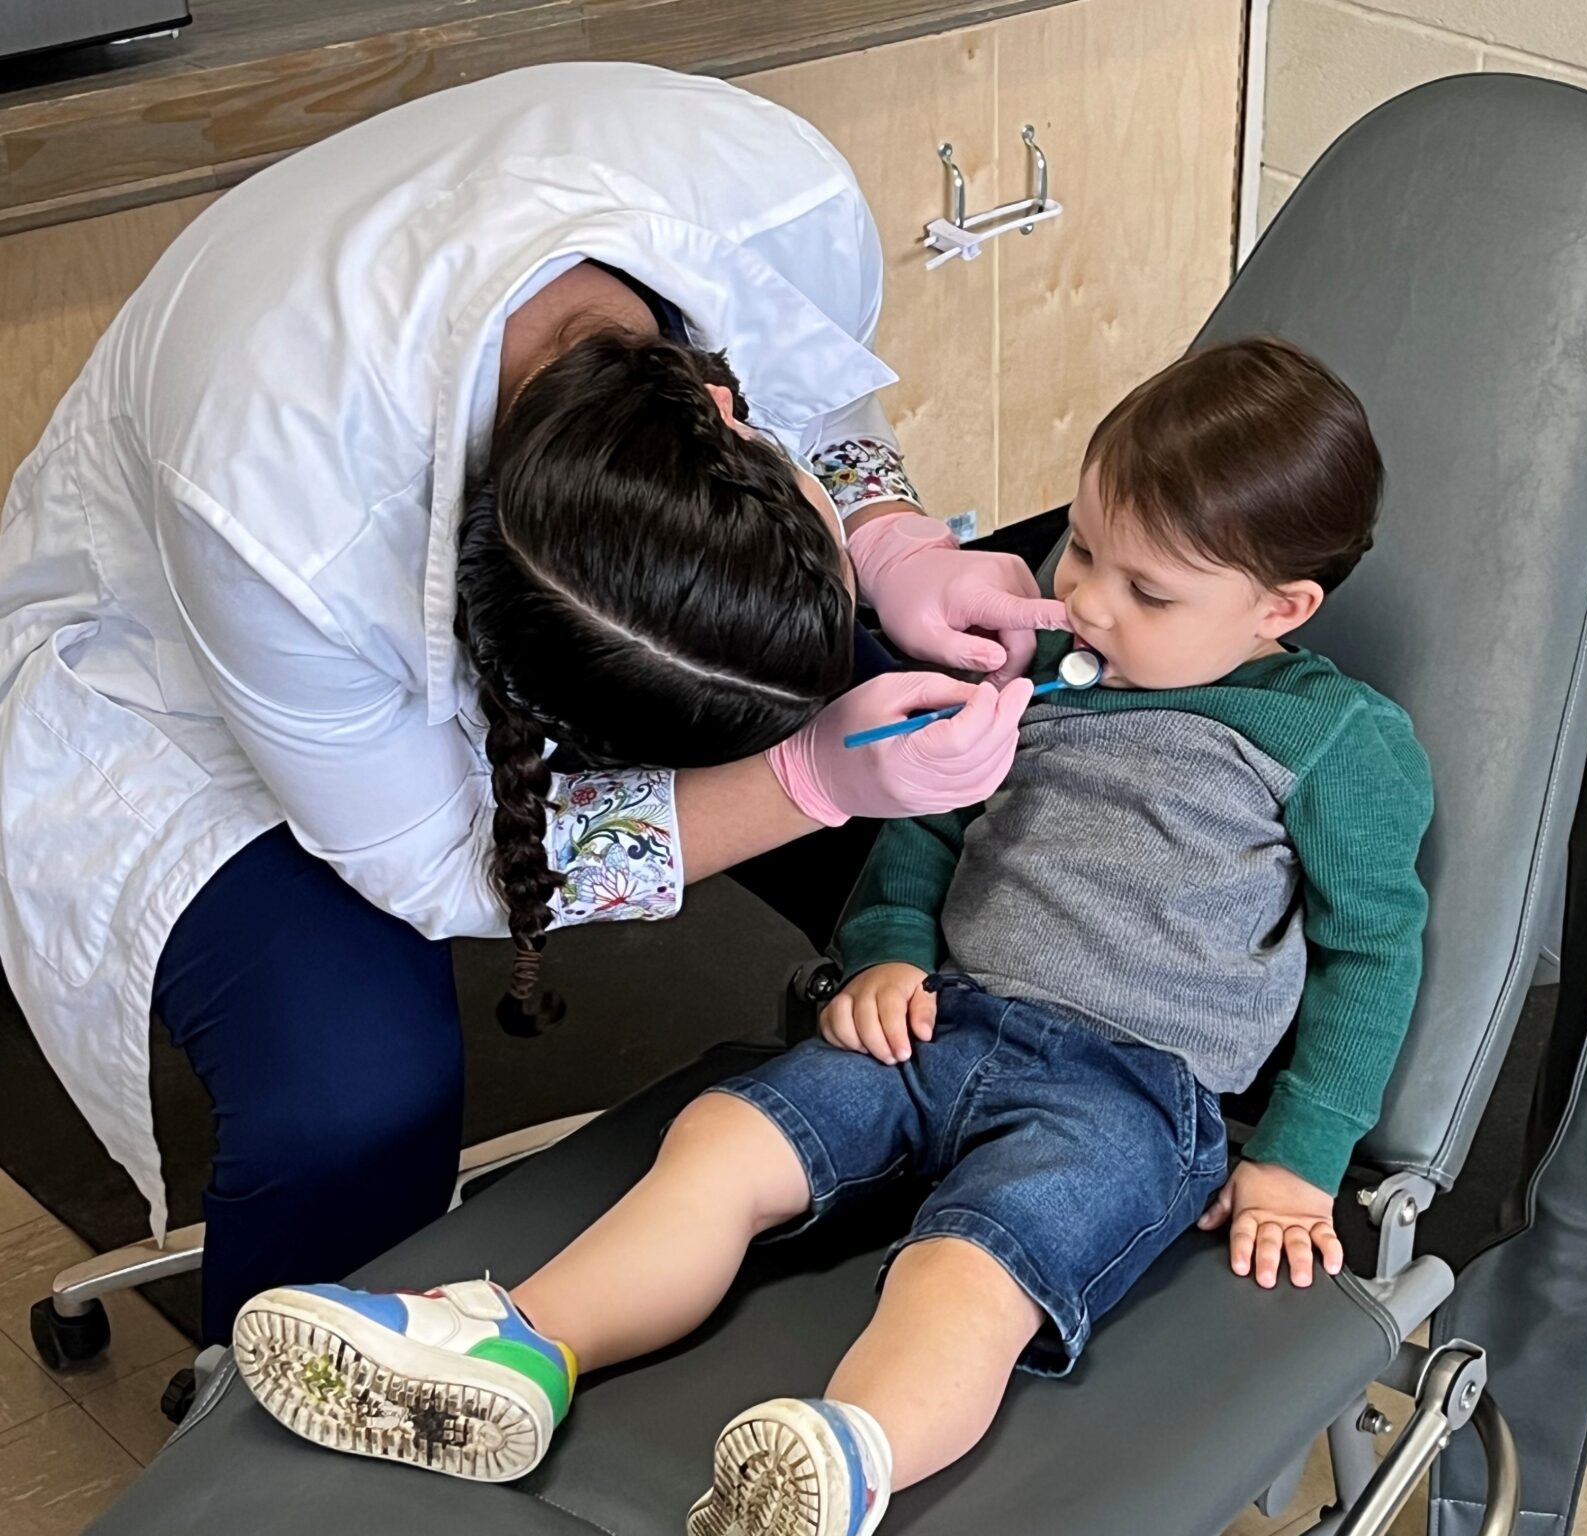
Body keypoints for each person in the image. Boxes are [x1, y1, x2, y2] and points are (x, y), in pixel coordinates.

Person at [229, 337, 1437, 1536]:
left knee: (969, 1266)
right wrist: (887, 951)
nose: (1083, 598)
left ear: (1280, 606)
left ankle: (842, 1462)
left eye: (1148, 592)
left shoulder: (1332, 739)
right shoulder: (1041, 667)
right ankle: (516, 1350)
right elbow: (923, 827)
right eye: (1082, 547)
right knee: (721, 1143)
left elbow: (1371, 954)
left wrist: (1297, 1156)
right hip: (937, 1022)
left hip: (1126, 1096)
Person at [0, 62, 1067, 1347]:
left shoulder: (766, 189)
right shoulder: (274, 507)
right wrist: (807, 784)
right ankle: (270, 1447)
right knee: (355, 1089)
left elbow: (812, 387)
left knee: (937, 728)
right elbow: (438, 860)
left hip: (465, 510)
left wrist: (891, 541)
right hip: (173, 697)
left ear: (714, 410)